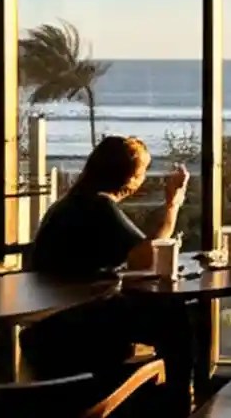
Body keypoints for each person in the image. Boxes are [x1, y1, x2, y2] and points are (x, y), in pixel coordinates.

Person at [21, 136, 194, 416]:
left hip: (48, 324)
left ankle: (164, 398)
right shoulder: (98, 206)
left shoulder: (71, 203)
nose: (143, 178)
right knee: (173, 314)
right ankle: (180, 403)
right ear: (129, 177)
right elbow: (148, 255)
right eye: (142, 171)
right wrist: (173, 204)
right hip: (70, 327)